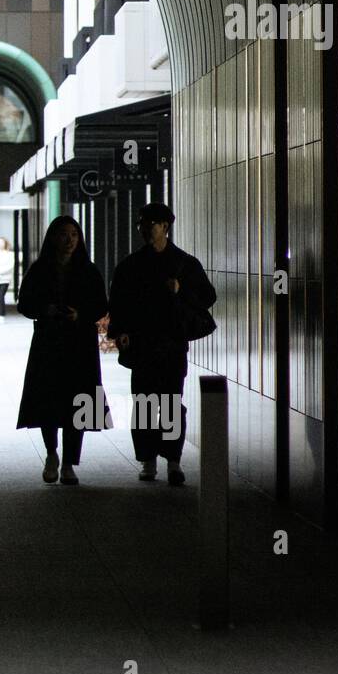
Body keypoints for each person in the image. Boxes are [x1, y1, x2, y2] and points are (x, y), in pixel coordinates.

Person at [108, 202, 217, 486]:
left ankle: (172, 460)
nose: (145, 229)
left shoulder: (184, 264)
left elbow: (207, 297)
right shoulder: (131, 266)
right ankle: (149, 459)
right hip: (145, 344)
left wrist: (182, 291)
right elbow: (118, 305)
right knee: (146, 402)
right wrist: (120, 332)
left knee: (169, 402)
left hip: (171, 342)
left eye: (151, 224)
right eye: (142, 223)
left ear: (165, 227)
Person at [16, 216, 110, 486]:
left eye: (74, 235)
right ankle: (51, 454)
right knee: (48, 400)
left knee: (79, 402)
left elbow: (101, 306)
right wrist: (45, 310)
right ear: (53, 238)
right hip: (49, 342)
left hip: (79, 344)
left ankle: (69, 462)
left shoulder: (88, 271)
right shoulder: (39, 269)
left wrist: (79, 314)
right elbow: (25, 304)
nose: (69, 241)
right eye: (64, 235)